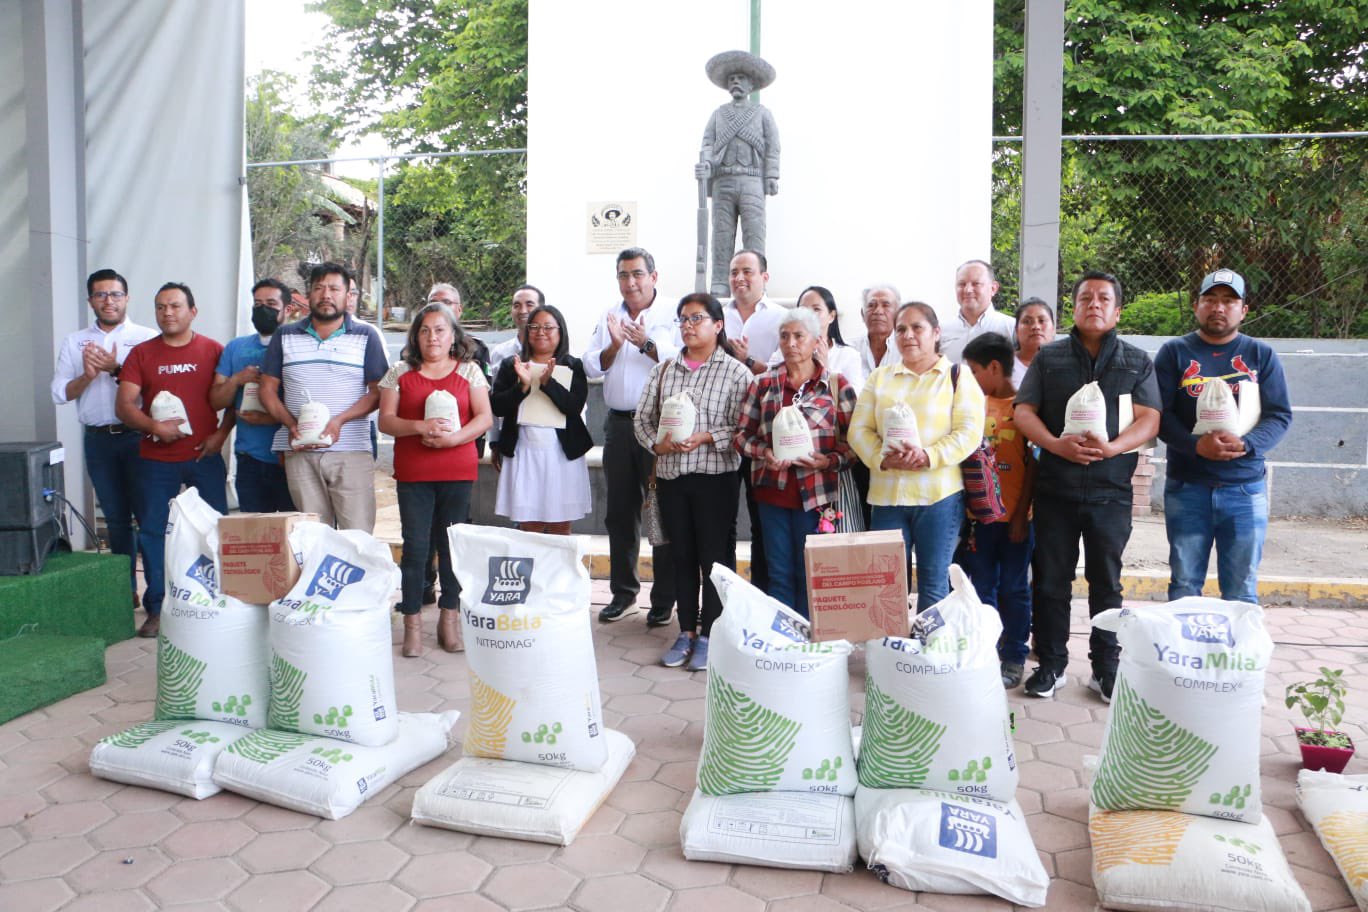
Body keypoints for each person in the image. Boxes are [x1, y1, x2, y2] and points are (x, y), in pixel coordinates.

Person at [1014, 271, 1161, 702]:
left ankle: (1105, 668)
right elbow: (1024, 412)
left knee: (1106, 583)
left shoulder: (1136, 361)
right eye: (1085, 298)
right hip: (1056, 491)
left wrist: (1115, 448)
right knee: (1050, 581)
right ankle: (1052, 666)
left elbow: (1149, 418)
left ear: (1117, 311)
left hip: (1110, 493)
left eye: (1103, 299)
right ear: (1073, 308)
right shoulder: (1049, 358)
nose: (1093, 304)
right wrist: (1055, 445)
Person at [1155, 269, 1292, 604]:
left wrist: (1248, 443)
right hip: (1187, 488)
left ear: (1243, 310)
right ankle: (1186, 656)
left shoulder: (1261, 356)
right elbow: (1157, 415)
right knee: (1185, 585)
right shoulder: (1174, 353)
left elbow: (1279, 415)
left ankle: (1235, 657)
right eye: (1210, 299)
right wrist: (1194, 445)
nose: (1219, 307)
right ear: (1196, 306)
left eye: (1229, 301)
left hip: (1244, 490)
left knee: (1241, 589)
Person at [634, 293, 752, 671]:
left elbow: (744, 427)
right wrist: (658, 443)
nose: (687, 325)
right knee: (679, 555)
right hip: (671, 477)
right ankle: (685, 630)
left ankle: (711, 634)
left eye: (697, 318)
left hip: (716, 479)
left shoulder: (737, 373)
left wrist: (707, 436)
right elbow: (641, 419)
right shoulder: (665, 370)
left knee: (714, 559)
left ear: (718, 325)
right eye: (682, 319)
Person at [848, 302, 985, 613]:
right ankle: (892, 656)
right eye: (901, 329)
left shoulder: (957, 377)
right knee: (885, 586)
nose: (908, 335)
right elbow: (859, 431)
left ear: (935, 333)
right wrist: (882, 458)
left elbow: (968, 433)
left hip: (938, 498)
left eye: (917, 328)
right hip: (886, 499)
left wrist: (927, 456)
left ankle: (926, 657)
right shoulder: (880, 378)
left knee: (934, 582)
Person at [115, 282, 231, 638]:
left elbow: (234, 400)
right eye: (161, 307)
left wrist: (221, 434)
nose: (168, 313)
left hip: (204, 456)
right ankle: (158, 607)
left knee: (216, 530)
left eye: (176, 306)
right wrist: (153, 426)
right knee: (153, 533)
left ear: (192, 312)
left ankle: (219, 601)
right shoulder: (142, 354)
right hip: (155, 459)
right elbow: (123, 406)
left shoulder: (214, 350)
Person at [378, 303, 492, 657]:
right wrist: (419, 427)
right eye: (425, 330)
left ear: (453, 335)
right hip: (414, 472)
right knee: (415, 549)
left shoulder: (470, 372)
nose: (432, 337)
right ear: (415, 336)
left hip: (457, 469)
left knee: (451, 548)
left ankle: (449, 620)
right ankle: (412, 622)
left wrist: (454, 439)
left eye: (440, 329)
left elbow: (484, 417)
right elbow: (385, 420)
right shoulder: (399, 372)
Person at [737, 307, 858, 617]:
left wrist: (828, 461)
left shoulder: (835, 385)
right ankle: (784, 646)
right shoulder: (763, 384)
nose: (791, 343)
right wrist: (764, 453)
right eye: (784, 336)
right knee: (779, 574)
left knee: (812, 575)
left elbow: (854, 444)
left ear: (816, 341)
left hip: (817, 498)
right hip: (772, 494)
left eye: (799, 336)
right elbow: (741, 436)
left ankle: (811, 647)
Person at [51, 268, 158, 607]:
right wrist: (88, 375)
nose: (108, 301)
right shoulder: (75, 341)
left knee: (148, 516)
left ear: (126, 298)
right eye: (100, 295)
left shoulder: (147, 337)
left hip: (138, 437)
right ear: (90, 301)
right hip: (98, 439)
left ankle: (157, 594)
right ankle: (124, 592)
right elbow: (60, 393)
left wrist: (116, 370)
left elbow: (159, 390)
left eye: (114, 294)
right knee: (114, 518)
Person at [584, 248, 680, 626]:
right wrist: (614, 345)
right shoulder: (611, 315)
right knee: (620, 513)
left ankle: (663, 599)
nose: (631, 282)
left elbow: (683, 360)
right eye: (623, 275)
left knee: (660, 513)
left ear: (654, 277)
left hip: (660, 426)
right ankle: (624, 594)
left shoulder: (673, 313)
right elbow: (591, 363)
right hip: (620, 424)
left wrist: (645, 343)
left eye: (638, 274)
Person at [257, 262, 389, 532]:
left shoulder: (366, 336)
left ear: (347, 295)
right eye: (319, 288)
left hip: (350, 450)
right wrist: (290, 424)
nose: (326, 295)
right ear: (308, 294)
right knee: (313, 536)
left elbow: (378, 391)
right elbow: (267, 389)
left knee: (357, 535)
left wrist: (340, 421)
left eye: (334, 288)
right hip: (299, 450)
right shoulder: (285, 335)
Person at [957, 333, 1036, 688]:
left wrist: (1021, 515)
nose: (970, 378)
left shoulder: (1025, 407)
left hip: (1016, 519)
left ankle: (1014, 654)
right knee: (982, 585)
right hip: (979, 519)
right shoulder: (974, 403)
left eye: (973, 370)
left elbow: (1033, 467)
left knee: (1015, 588)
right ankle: (986, 651)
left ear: (993, 367)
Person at [490, 305, 592, 533]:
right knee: (529, 524)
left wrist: (548, 384)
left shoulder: (573, 365)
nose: (540, 332)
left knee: (560, 526)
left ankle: (556, 570)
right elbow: (497, 406)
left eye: (548, 327)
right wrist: (523, 386)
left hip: (562, 455)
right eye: (534, 327)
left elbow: (573, 406)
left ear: (560, 331)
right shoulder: (512, 365)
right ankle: (532, 568)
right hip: (524, 452)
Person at [695, 50, 781, 296]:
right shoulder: (718, 115)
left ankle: (756, 284)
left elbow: (773, 145)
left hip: (752, 179)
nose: (735, 82)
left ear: (751, 84)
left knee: (754, 233)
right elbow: (708, 144)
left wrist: (772, 175)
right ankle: (720, 282)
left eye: (741, 78)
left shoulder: (762, 113)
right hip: (724, 180)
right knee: (721, 233)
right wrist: (707, 165)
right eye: (732, 78)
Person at [723, 248, 783, 592]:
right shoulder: (717, 316)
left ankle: (764, 595)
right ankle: (727, 596)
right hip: (723, 430)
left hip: (763, 434)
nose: (740, 278)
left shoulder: (780, 318)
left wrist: (749, 360)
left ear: (764, 276)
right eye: (734, 272)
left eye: (747, 271)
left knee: (762, 523)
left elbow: (785, 368)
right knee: (723, 522)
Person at [211, 278, 296, 513]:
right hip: (250, 458)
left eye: (270, 303)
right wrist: (237, 379)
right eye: (257, 304)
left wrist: (270, 419)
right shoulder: (235, 348)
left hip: (291, 456)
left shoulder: (299, 346)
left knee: (296, 535)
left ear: (287, 309)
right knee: (255, 535)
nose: (263, 310)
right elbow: (216, 400)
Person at [488, 284, 543, 473]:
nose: (523, 310)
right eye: (516, 305)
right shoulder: (500, 353)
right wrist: (494, 441)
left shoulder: (557, 351)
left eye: (530, 304)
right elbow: (494, 400)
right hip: (512, 439)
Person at [771, 285, 865, 393]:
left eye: (816, 309)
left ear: (831, 316)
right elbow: (769, 385)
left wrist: (825, 369)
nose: (809, 314)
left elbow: (854, 401)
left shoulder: (849, 355)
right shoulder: (786, 350)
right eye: (803, 309)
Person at [941, 260, 1017, 364]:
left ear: (993, 288)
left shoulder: (1011, 328)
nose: (967, 290)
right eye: (962, 284)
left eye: (976, 284)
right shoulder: (940, 331)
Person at [1012, 297, 1056, 389]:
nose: (1036, 327)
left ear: (1053, 329)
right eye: (1027, 322)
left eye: (1042, 321)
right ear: (1016, 330)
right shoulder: (1003, 366)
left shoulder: (1067, 364)